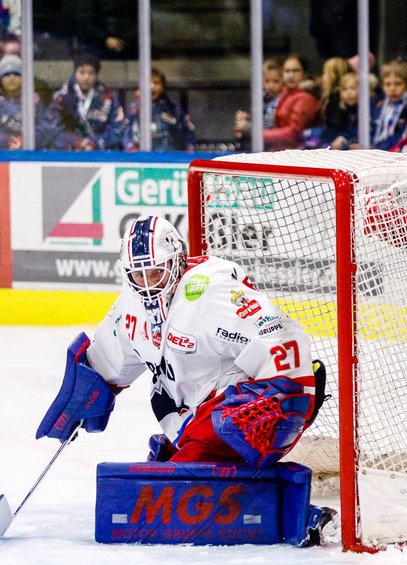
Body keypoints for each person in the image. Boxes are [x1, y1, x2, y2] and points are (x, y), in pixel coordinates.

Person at [36, 215, 324, 471]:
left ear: (177, 261)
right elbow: (102, 368)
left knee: (171, 490)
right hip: (192, 420)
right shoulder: (129, 308)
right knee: (162, 474)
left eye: (156, 272)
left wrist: (285, 402)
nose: (148, 284)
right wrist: (79, 401)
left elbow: (282, 336)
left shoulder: (210, 292)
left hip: (241, 422)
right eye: (139, 274)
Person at [43, 51, 128, 150]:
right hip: (69, 153)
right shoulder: (62, 96)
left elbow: (118, 126)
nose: (86, 77)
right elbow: (51, 126)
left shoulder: (108, 97)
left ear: (96, 75)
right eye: (82, 72)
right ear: (75, 73)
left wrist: (97, 142)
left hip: (101, 152)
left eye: (91, 73)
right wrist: (75, 141)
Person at [123, 68, 196, 152]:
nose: (152, 86)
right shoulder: (134, 108)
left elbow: (188, 133)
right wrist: (131, 151)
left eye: (156, 83)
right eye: (148, 82)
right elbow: (126, 134)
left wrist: (188, 150)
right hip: (142, 158)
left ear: (163, 87)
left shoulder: (174, 107)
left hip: (169, 157)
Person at [263, 54, 320, 151]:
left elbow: (294, 133)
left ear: (305, 73)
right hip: (278, 149)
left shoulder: (306, 98)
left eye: (296, 71)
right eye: (287, 71)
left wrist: (258, 134)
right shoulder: (283, 93)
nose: (291, 75)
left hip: (298, 152)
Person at [234, 58, 283, 152]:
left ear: (282, 81)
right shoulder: (261, 97)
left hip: (273, 147)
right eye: (267, 81)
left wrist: (247, 126)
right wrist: (247, 118)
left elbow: (270, 128)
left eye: (276, 81)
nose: (271, 85)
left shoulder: (280, 100)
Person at [371, 58, 407, 151]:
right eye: (387, 84)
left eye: (398, 84)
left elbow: (403, 136)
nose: (392, 88)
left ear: (406, 84)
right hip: (375, 151)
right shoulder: (378, 105)